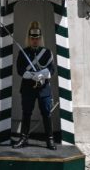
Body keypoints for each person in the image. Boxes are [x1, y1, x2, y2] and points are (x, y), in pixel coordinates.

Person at [12, 21, 57, 150]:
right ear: (29, 38)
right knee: (26, 113)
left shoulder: (47, 53)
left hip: (43, 89)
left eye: (37, 38)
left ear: (40, 38)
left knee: (46, 114)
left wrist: (43, 74)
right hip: (28, 88)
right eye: (32, 38)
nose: (35, 41)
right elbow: (19, 70)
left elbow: (52, 69)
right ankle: (23, 138)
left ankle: (50, 139)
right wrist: (31, 75)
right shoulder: (23, 52)